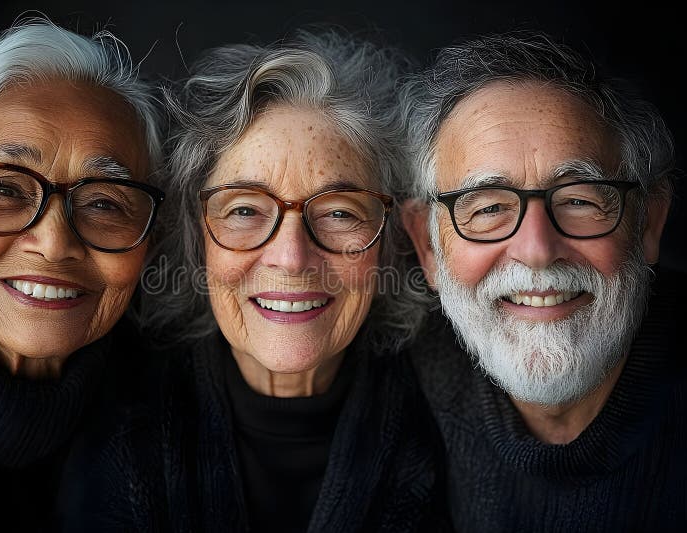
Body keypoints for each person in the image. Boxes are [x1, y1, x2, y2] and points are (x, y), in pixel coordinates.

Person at [60, 28, 449, 532]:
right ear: (195, 237)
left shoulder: (452, 423)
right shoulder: (110, 426)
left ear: (391, 238)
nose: (290, 257)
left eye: (338, 213)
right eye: (244, 209)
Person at [399, 30, 687, 531]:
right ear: (427, 245)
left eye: (579, 200)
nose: (536, 250)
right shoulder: (403, 378)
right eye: (488, 207)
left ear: (649, 223)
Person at [0, 14, 166, 532]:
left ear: (149, 239)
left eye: (104, 203)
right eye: (5, 190)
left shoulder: (190, 420)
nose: (54, 243)